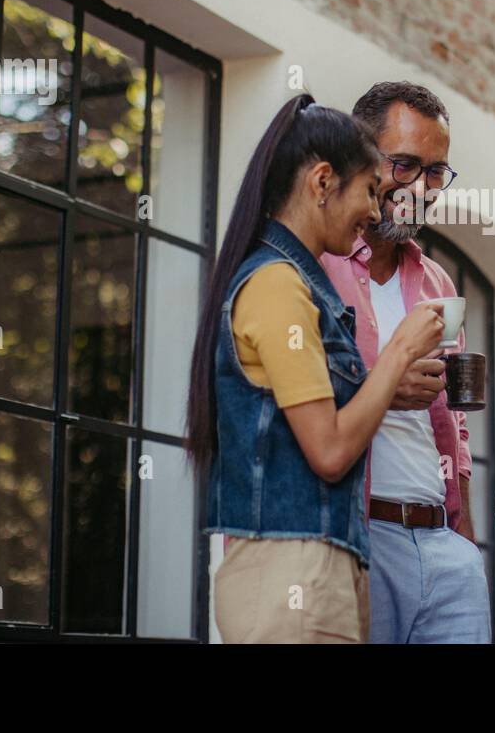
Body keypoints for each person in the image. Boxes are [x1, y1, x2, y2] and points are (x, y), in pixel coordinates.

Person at [186, 93, 444, 643]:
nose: (376, 212)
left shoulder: (301, 284)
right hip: (293, 575)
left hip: (323, 566)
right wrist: (398, 355)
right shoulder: (278, 285)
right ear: (323, 182)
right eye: (369, 191)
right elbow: (328, 452)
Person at [320, 81, 491, 643]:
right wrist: (384, 385)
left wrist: (463, 535)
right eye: (404, 165)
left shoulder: (438, 282)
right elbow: (290, 394)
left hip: (443, 544)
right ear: (360, 157)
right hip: (359, 533)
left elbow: (456, 431)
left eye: (436, 171)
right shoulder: (320, 265)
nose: (420, 187)